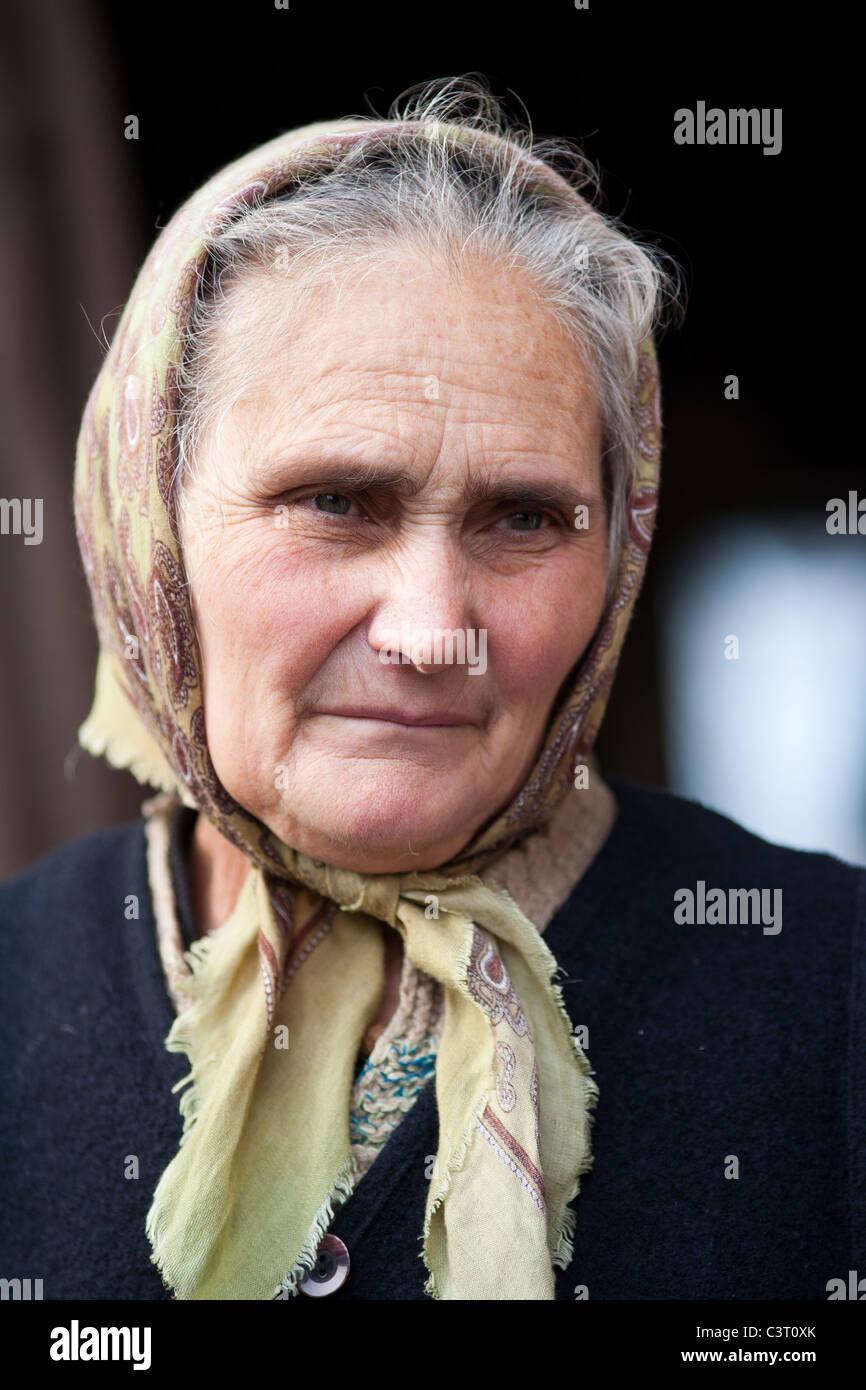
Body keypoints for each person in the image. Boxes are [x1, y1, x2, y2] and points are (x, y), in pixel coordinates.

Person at [1, 78, 863, 1303]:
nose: (429, 632)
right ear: (146, 533)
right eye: (336, 503)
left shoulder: (828, 995)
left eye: (522, 518)